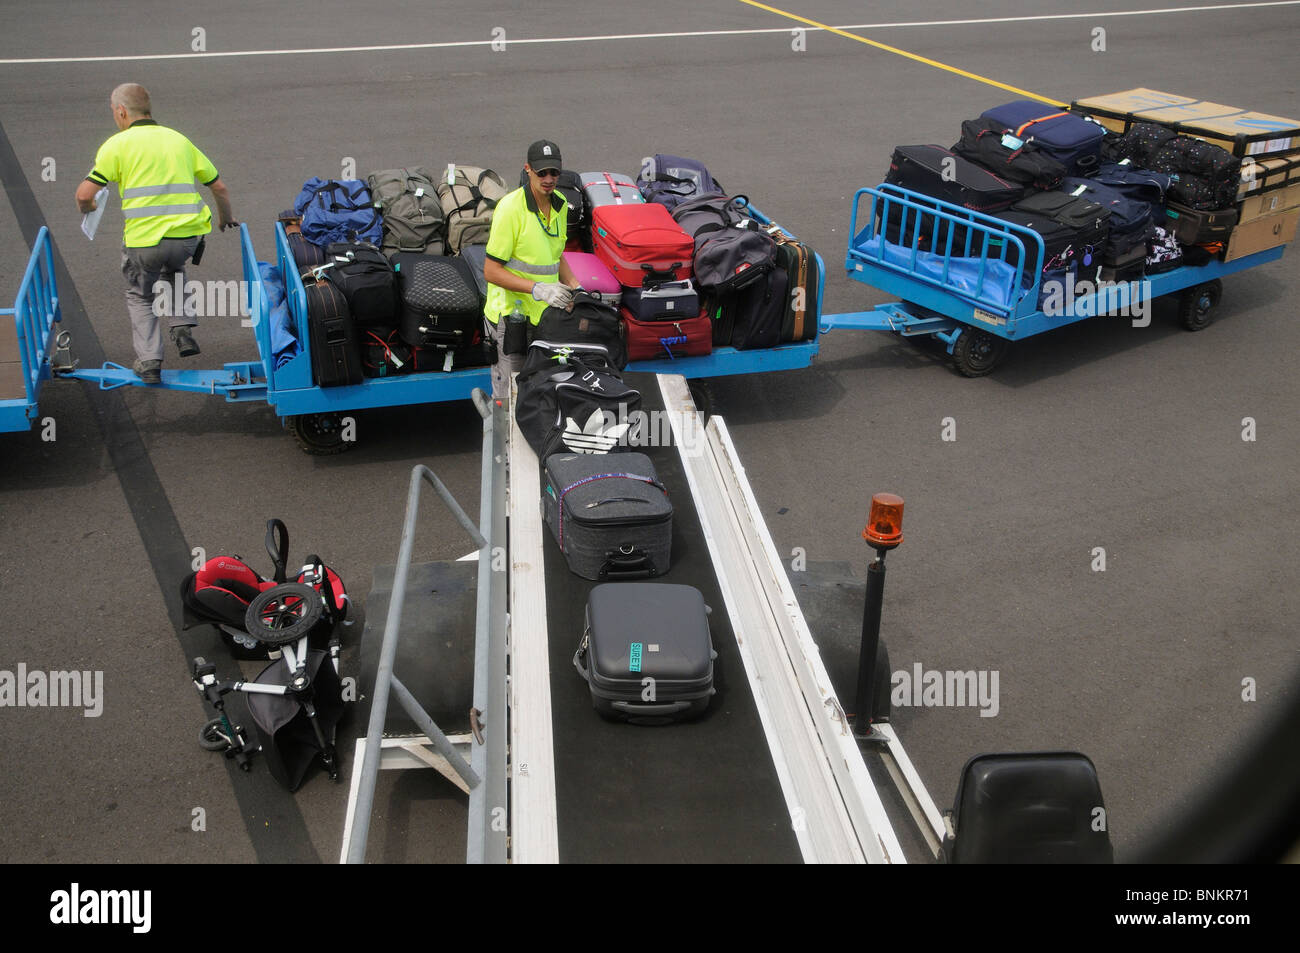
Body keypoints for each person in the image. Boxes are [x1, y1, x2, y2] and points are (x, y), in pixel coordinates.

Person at [75, 84, 236, 384]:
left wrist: (89, 206)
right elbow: (219, 187)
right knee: (174, 268)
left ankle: (149, 361)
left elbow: (84, 194)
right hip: (188, 238)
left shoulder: (117, 145)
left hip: (144, 244)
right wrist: (225, 219)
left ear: (121, 111)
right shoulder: (179, 140)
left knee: (140, 295)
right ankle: (183, 328)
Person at [482, 139, 579, 400]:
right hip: (511, 319)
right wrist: (538, 289)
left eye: (554, 172)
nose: (548, 179)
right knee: (511, 394)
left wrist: (575, 286)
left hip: (544, 317)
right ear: (528, 170)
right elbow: (490, 271)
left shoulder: (559, 204)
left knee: (539, 390)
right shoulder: (510, 209)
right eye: (541, 173)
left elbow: (555, 256)